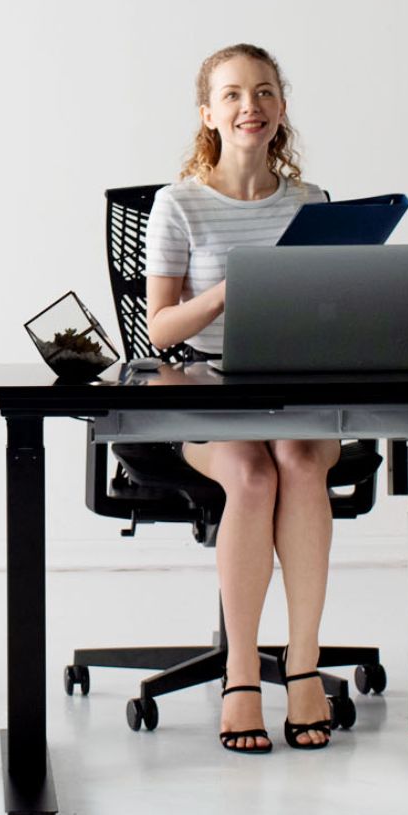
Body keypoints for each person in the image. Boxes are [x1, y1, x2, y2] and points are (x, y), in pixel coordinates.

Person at [142, 43, 338, 753]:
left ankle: (307, 667)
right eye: (231, 94)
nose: (248, 105)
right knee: (253, 477)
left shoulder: (312, 204)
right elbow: (160, 329)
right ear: (209, 114)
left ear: (280, 109)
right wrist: (234, 287)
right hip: (205, 387)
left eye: (262, 92)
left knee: (301, 462)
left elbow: (331, 310)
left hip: (298, 385)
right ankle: (244, 674)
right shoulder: (179, 205)